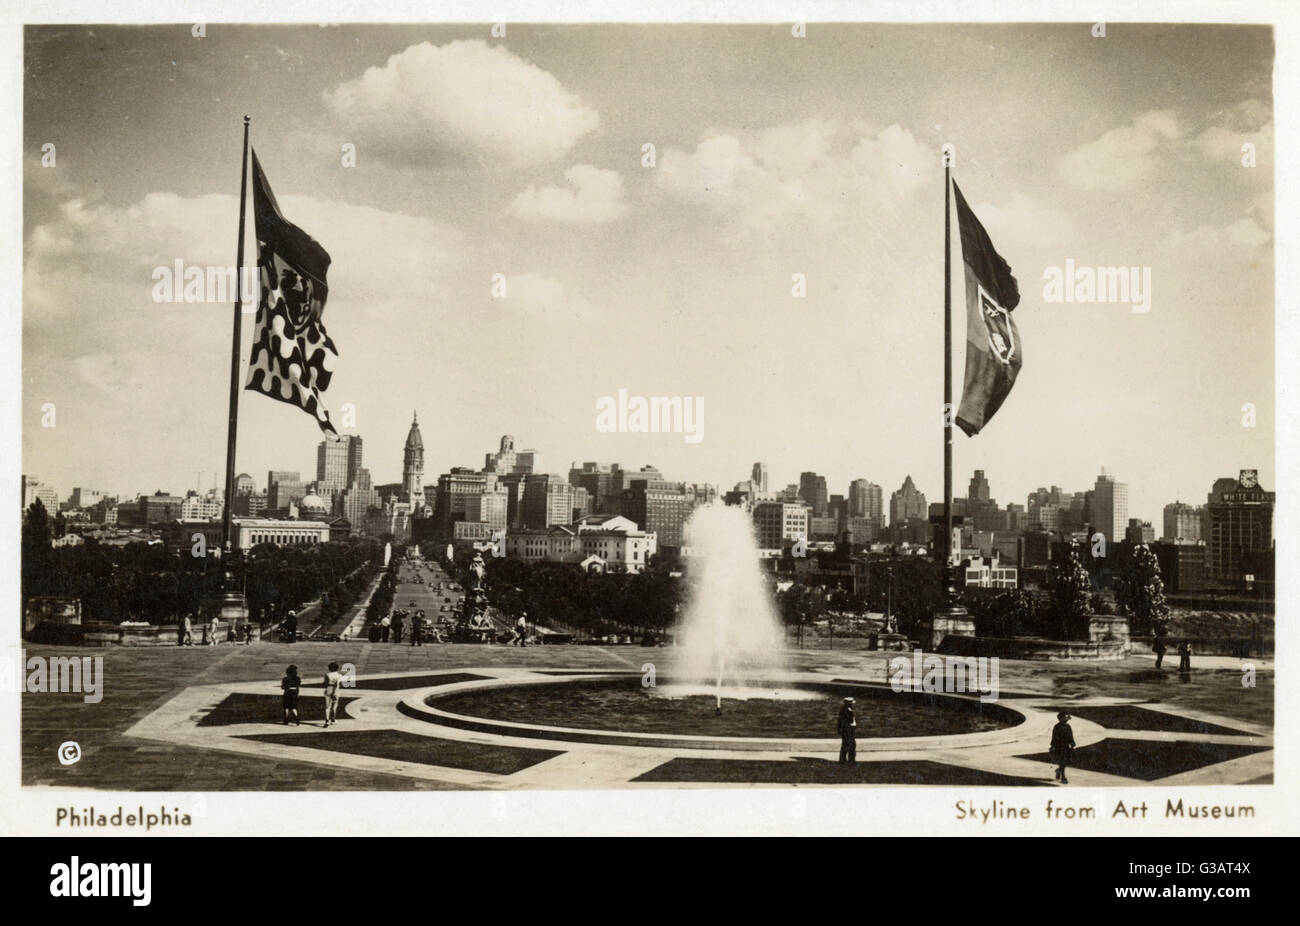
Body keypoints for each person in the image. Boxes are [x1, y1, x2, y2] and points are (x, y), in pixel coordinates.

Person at [1050, 712, 1075, 783]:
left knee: (1066, 761)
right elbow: (1054, 737)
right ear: (1060, 718)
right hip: (1059, 746)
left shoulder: (1068, 726)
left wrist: (1072, 743)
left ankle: (1059, 770)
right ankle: (1063, 777)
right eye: (1064, 718)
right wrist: (1053, 746)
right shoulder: (1057, 726)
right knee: (1062, 762)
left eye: (1066, 718)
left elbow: (1071, 736)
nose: (1066, 719)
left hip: (1066, 746)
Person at [323, 662, 344, 727]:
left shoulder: (327, 674)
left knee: (327, 706)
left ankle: (327, 720)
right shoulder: (339, 675)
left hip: (329, 689)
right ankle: (333, 719)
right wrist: (335, 691)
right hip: (336, 690)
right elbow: (338, 683)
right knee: (335, 705)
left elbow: (325, 683)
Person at [837, 697, 857, 764]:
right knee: (851, 745)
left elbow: (839, 721)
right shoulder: (849, 710)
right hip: (848, 730)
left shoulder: (843, 710)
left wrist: (839, 730)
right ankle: (851, 760)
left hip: (844, 730)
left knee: (845, 745)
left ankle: (843, 759)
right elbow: (850, 721)